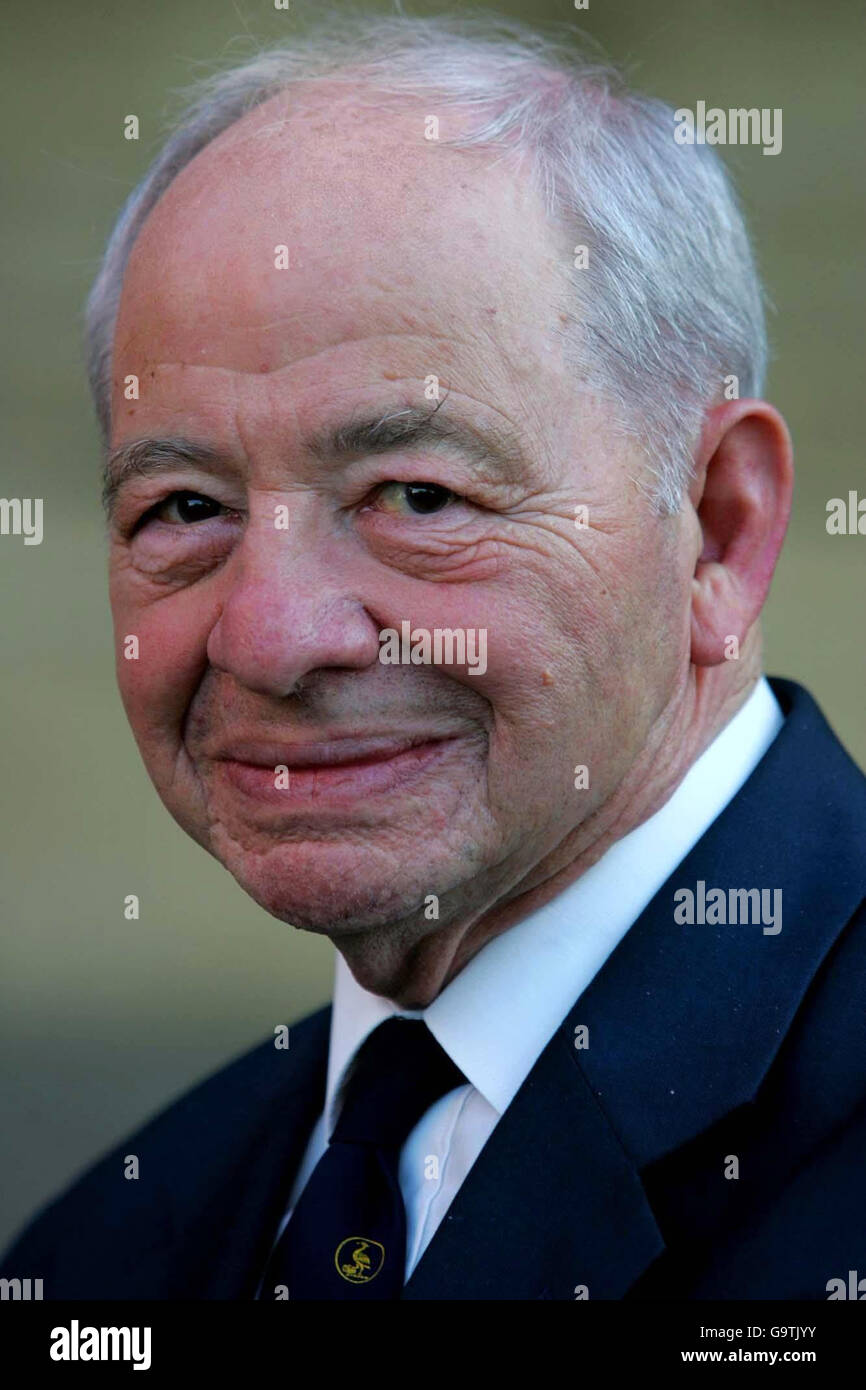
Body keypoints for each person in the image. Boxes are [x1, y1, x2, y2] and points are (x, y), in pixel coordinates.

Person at [2, 10, 864, 1301]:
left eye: (415, 496)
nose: (272, 635)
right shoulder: (103, 1259)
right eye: (185, 507)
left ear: (717, 529)